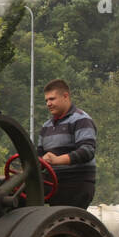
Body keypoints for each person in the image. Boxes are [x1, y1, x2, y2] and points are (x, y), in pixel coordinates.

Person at [38, 79, 97, 208]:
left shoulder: (81, 119)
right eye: (46, 100)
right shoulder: (46, 126)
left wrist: (57, 160)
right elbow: (38, 156)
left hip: (76, 185)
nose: (48, 103)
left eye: (52, 99)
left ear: (65, 96)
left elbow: (87, 151)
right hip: (53, 184)